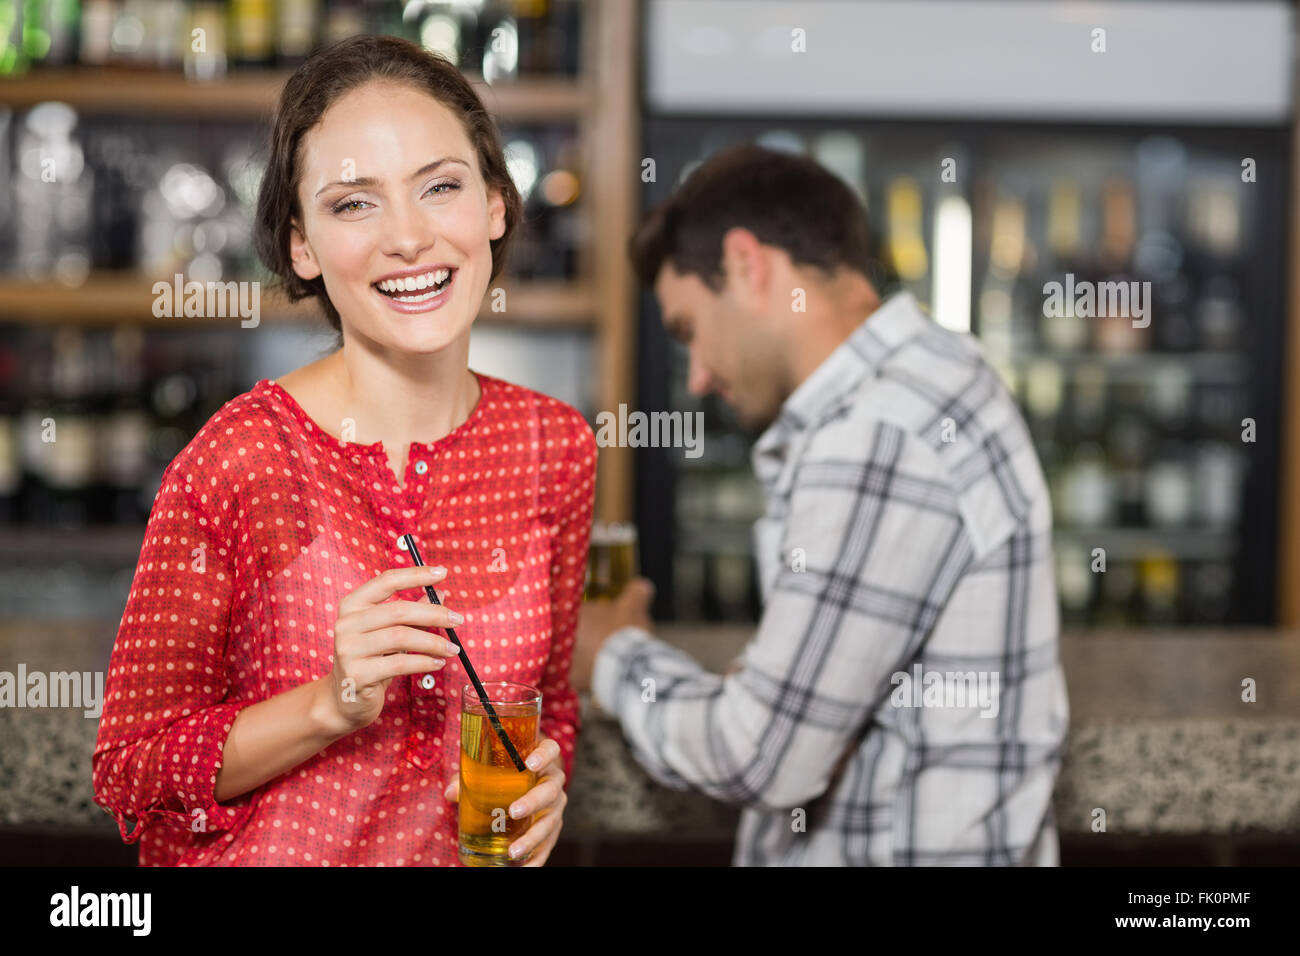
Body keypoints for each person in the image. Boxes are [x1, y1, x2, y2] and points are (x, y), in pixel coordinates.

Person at [92, 35, 596, 866]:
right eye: (355, 202)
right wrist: (330, 703)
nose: (408, 237)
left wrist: (544, 786)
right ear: (300, 246)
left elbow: (550, 711)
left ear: (496, 205)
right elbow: (131, 768)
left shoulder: (556, 447)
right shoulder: (241, 456)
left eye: (441, 186)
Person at [572, 144, 1069, 866]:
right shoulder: (925, 381)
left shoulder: (879, 430)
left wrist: (610, 653)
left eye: (689, 330)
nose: (701, 375)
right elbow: (803, 709)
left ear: (746, 264)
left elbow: (764, 756)